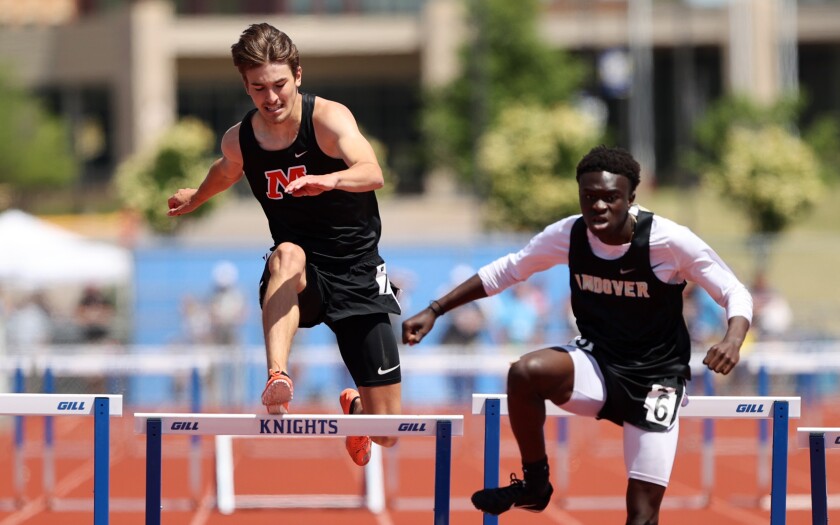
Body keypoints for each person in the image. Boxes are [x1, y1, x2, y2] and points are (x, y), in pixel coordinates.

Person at [402, 145, 753, 522]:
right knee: (524, 372)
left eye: (610, 198)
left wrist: (732, 339)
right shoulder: (569, 234)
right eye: (589, 197)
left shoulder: (668, 242)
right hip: (597, 364)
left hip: (656, 379)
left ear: (631, 198)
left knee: (641, 514)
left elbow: (734, 291)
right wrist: (435, 309)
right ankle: (536, 486)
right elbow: (508, 270)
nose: (598, 207)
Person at [166, 23, 402, 466]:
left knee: (388, 431)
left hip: (357, 270)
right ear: (246, 85)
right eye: (258, 89)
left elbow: (372, 172)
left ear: (297, 74)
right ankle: (278, 374)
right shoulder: (241, 138)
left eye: (278, 85)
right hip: (300, 274)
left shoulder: (328, 119)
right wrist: (195, 196)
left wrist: (326, 180)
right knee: (287, 254)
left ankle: (356, 407)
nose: (270, 98)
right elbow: (226, 170)